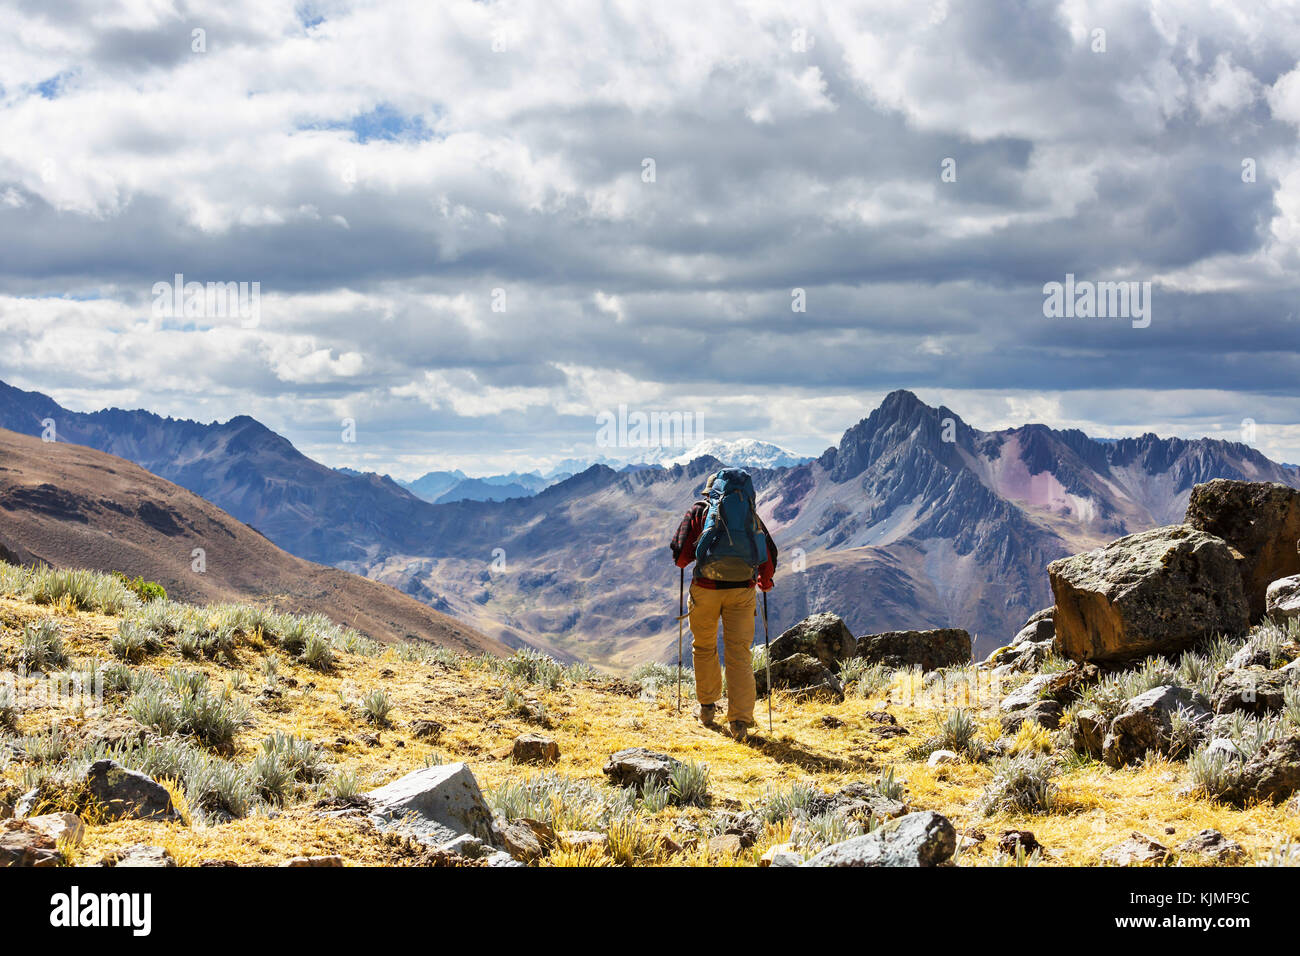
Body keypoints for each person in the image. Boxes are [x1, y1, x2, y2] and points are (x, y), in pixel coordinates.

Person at [669, 469, 777, 741]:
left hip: (705, 590)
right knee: (739, 654)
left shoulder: (698, 512)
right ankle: (740, 722)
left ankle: (707, 709)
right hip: (742, 591)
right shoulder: (750, 515)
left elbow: (681, 557)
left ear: (711, 492)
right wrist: (764, 580)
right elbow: (768, 554)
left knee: (704, 646)